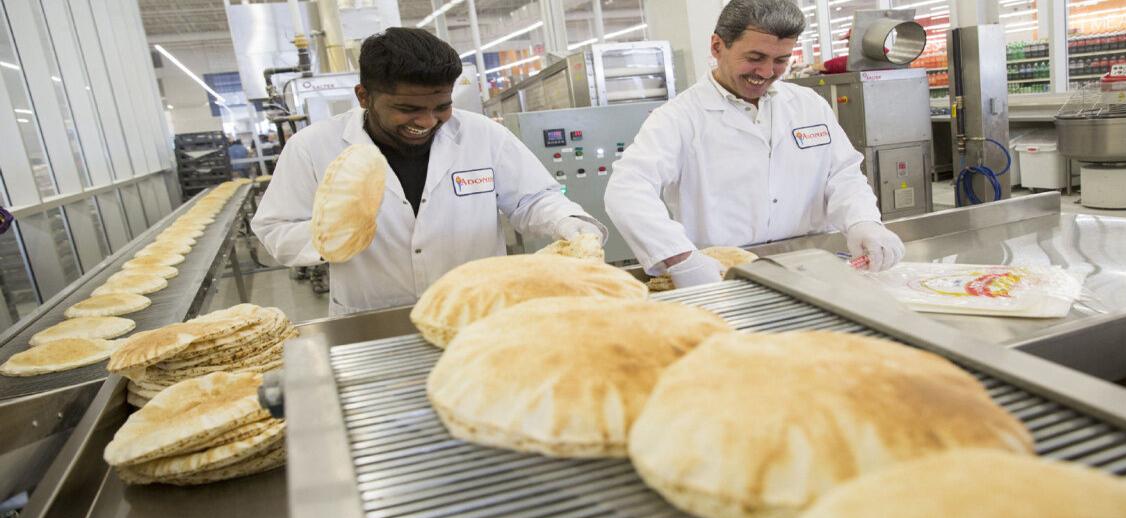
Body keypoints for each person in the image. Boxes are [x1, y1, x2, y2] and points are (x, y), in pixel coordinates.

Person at [252, 28, 605, 316]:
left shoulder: (482, 135)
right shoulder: (313, 147)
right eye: (408, 109)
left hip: (477, 313)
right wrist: (331, 237)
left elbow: (535, 199)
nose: (426, 121)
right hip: (374, 320)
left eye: (442, 106)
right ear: (364, 96)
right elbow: (275, 228)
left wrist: (568, 223)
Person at [604, 0, 904, 288]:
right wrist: (681, 259)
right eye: (755, 58)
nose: (765, 72)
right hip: (722, 273)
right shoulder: (679, 118)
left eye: (780, 61)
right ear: (717, 46)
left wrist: (864, 221)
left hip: (812, 266)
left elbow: (842, 175)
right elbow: (627, 190)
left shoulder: (808, 105)